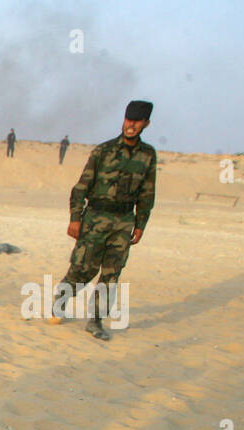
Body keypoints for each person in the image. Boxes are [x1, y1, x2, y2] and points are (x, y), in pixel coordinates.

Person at [54, 100, 156, 340]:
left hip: (123, 221)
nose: (131, 125)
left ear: (146, 124)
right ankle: (62, 298)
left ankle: (96, 321)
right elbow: (80, 188)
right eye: (128, 119)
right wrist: (75, 218)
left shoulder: (148, 155)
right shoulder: (103, 151)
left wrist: (141, 224)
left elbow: (147, 193)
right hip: (95, 219)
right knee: (83, 269)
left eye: (137, 121)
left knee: (112, 274)